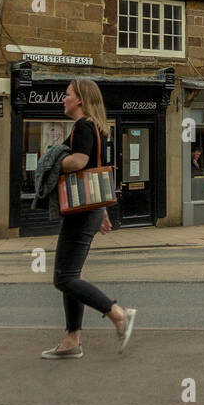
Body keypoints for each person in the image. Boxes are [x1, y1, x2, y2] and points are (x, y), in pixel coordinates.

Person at [42, 77, 136, 359]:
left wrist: (51, 161)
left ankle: (116, 312)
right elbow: (97, 168)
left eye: (67, 94)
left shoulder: (83, 125)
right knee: (72, 275)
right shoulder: (97, 127)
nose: (63, 98)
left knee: (64, 277)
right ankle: (72, 340)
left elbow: (81, 162)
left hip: (82, 213)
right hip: (90, 209)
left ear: (80, 99)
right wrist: (102, 210)